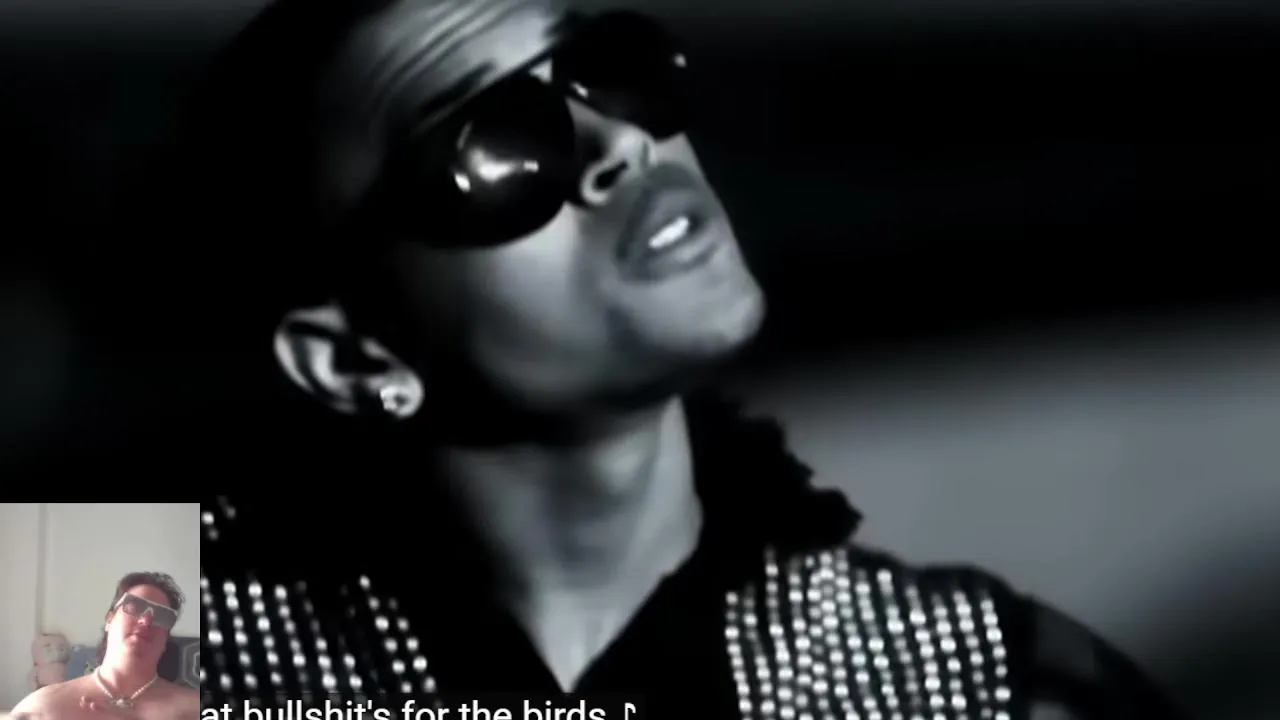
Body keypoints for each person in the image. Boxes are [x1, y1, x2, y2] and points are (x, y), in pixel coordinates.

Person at [182, 0, 1187, 717]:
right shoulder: (129, 646)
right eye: (494, 147)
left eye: (609, 70)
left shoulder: (977, 682)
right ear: (351, 360)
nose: (618, 142)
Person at [12, 571, 199, 720]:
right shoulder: (44, 707)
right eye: (135, 606)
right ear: (109, 619)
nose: (146, 621)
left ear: (166, 640)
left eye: (162, 616)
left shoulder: (195, 709)